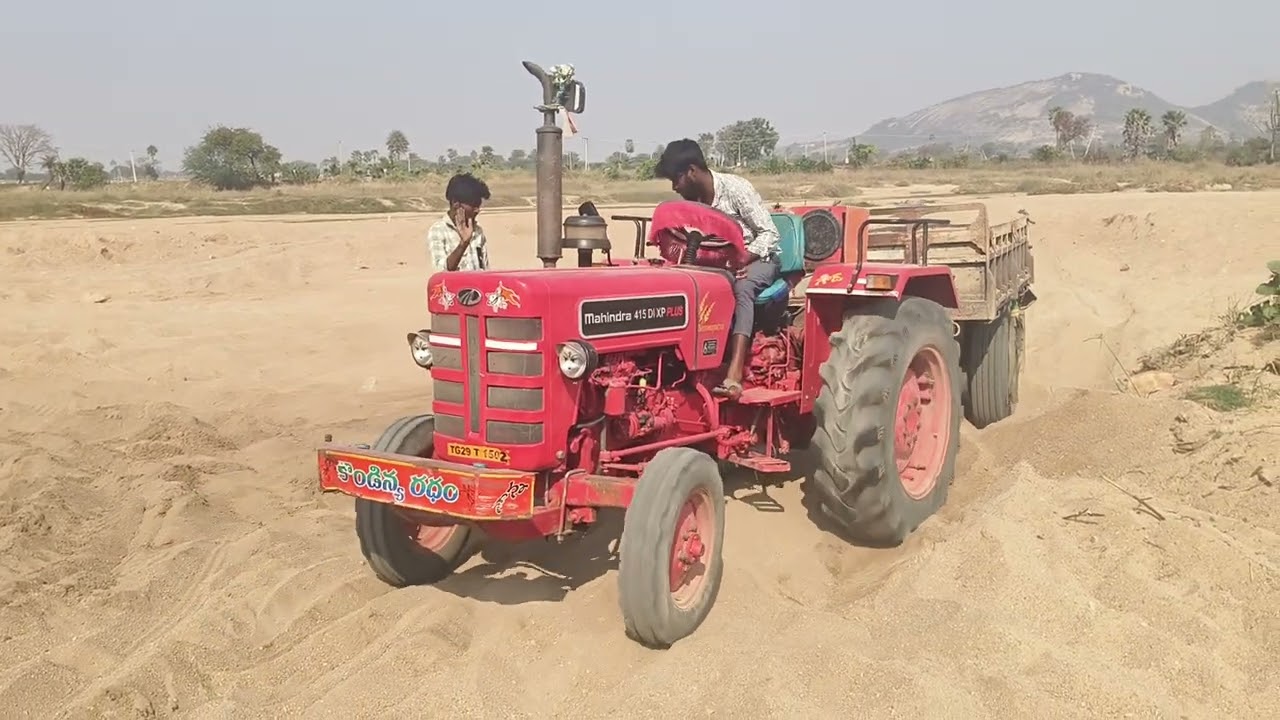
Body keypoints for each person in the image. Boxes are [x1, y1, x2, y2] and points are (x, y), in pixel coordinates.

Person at [654, 139, 780, 400]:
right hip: (716, 263)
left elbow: (769, 233)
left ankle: (733, 374)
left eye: (676, 179)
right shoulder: (692, 203)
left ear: (692, 171)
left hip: (758, 258)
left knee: (742, 288)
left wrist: (743, 260)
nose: (675, 188)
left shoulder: (736, 189)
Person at [428, 172, 492, 272]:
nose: (477, 210)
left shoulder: (478, 231)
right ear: (455, 203)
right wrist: (463, 244)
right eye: (473, 205)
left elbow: (485, 269)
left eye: (478, 206)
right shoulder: (439, 231)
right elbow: (441, 272)